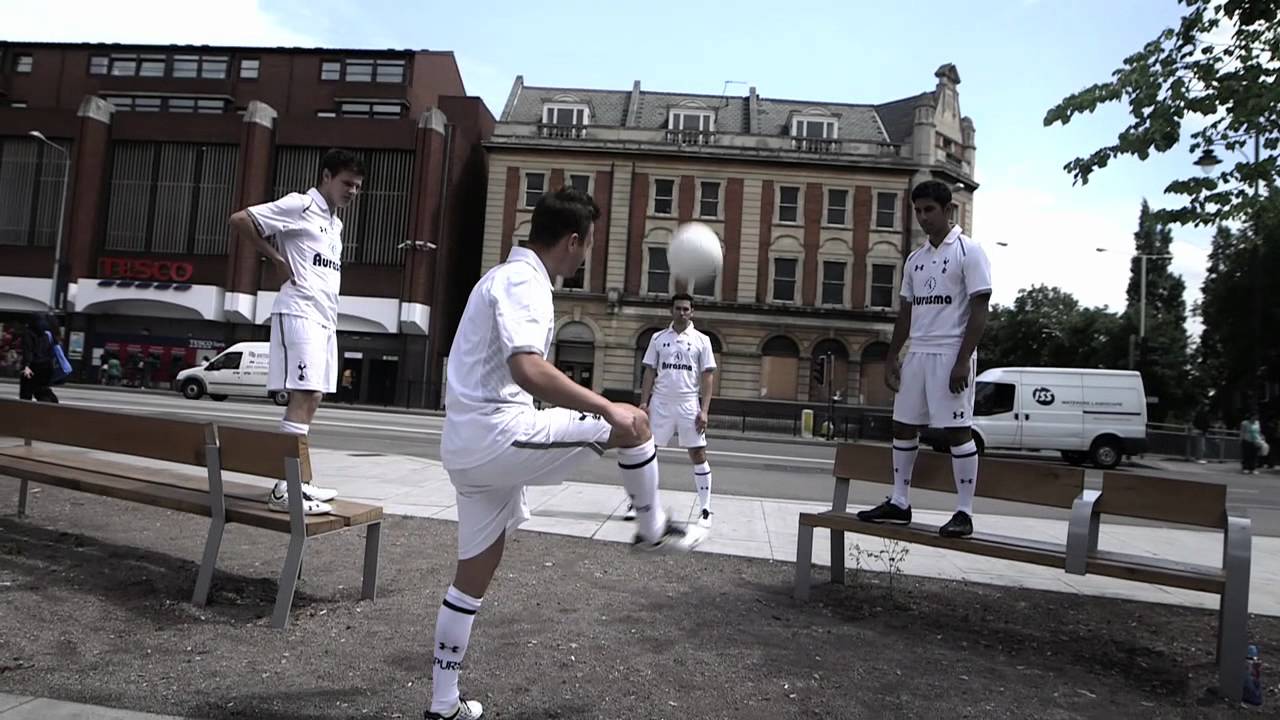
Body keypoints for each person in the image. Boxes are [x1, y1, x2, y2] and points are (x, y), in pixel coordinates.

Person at [425, 187, 705, 720]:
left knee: (473, 576)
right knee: (634, 422)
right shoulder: (525, 283)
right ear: (573, 241)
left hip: (468, 446)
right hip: (497, 434)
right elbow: (527, 369)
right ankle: (651, 529)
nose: (586, 256)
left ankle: (443, 706)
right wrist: (606, 407)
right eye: (588, 245)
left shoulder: (497, 278)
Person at [228, 148, 366, 515]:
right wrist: (273, 257)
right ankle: (283, 488)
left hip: (325, 318)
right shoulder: (299, 205)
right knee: (302, 395)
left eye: (357, 186)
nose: (352, 191)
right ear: (326, 176)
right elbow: (242, 220)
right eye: (346, 183)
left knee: (314, 396)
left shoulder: (335, 223)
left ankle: (300, 483)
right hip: (299, 310)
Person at [855, 179, 992, 538]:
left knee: (957, 432)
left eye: (929, 209)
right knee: (903, 425)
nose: (922, 217)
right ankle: (900, 502)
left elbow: (980, 311)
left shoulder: (969, 251)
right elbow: (905, 313)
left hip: (951, 352)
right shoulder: (915, 260)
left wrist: (963, 360)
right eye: (917, 210)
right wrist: (891, 357)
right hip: (918, 351)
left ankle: (964, 512)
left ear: (948, 211)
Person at [627, 292, 718, 528]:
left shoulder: (702, 340)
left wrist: (705, 410)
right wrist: (644, 402)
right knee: (647, 451)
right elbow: (649, 371)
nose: (682, 312)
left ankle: (706, 509)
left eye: (686, 309)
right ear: (671, 310)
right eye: (678, 308)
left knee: (698, 453)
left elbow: (707, 377)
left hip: (688, 402)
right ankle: (640, 504)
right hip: (661, 402)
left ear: (692, 311)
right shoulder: (658, 338)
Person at [18, 313, 61, 403]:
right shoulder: (47, 334)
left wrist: (26, 366)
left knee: (26, 391)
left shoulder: (28, 333)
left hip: (33, 366)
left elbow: (28, 351)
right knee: (42, 389)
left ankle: (25, 411)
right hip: (46, 367)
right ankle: (51, 403)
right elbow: (52, 349)